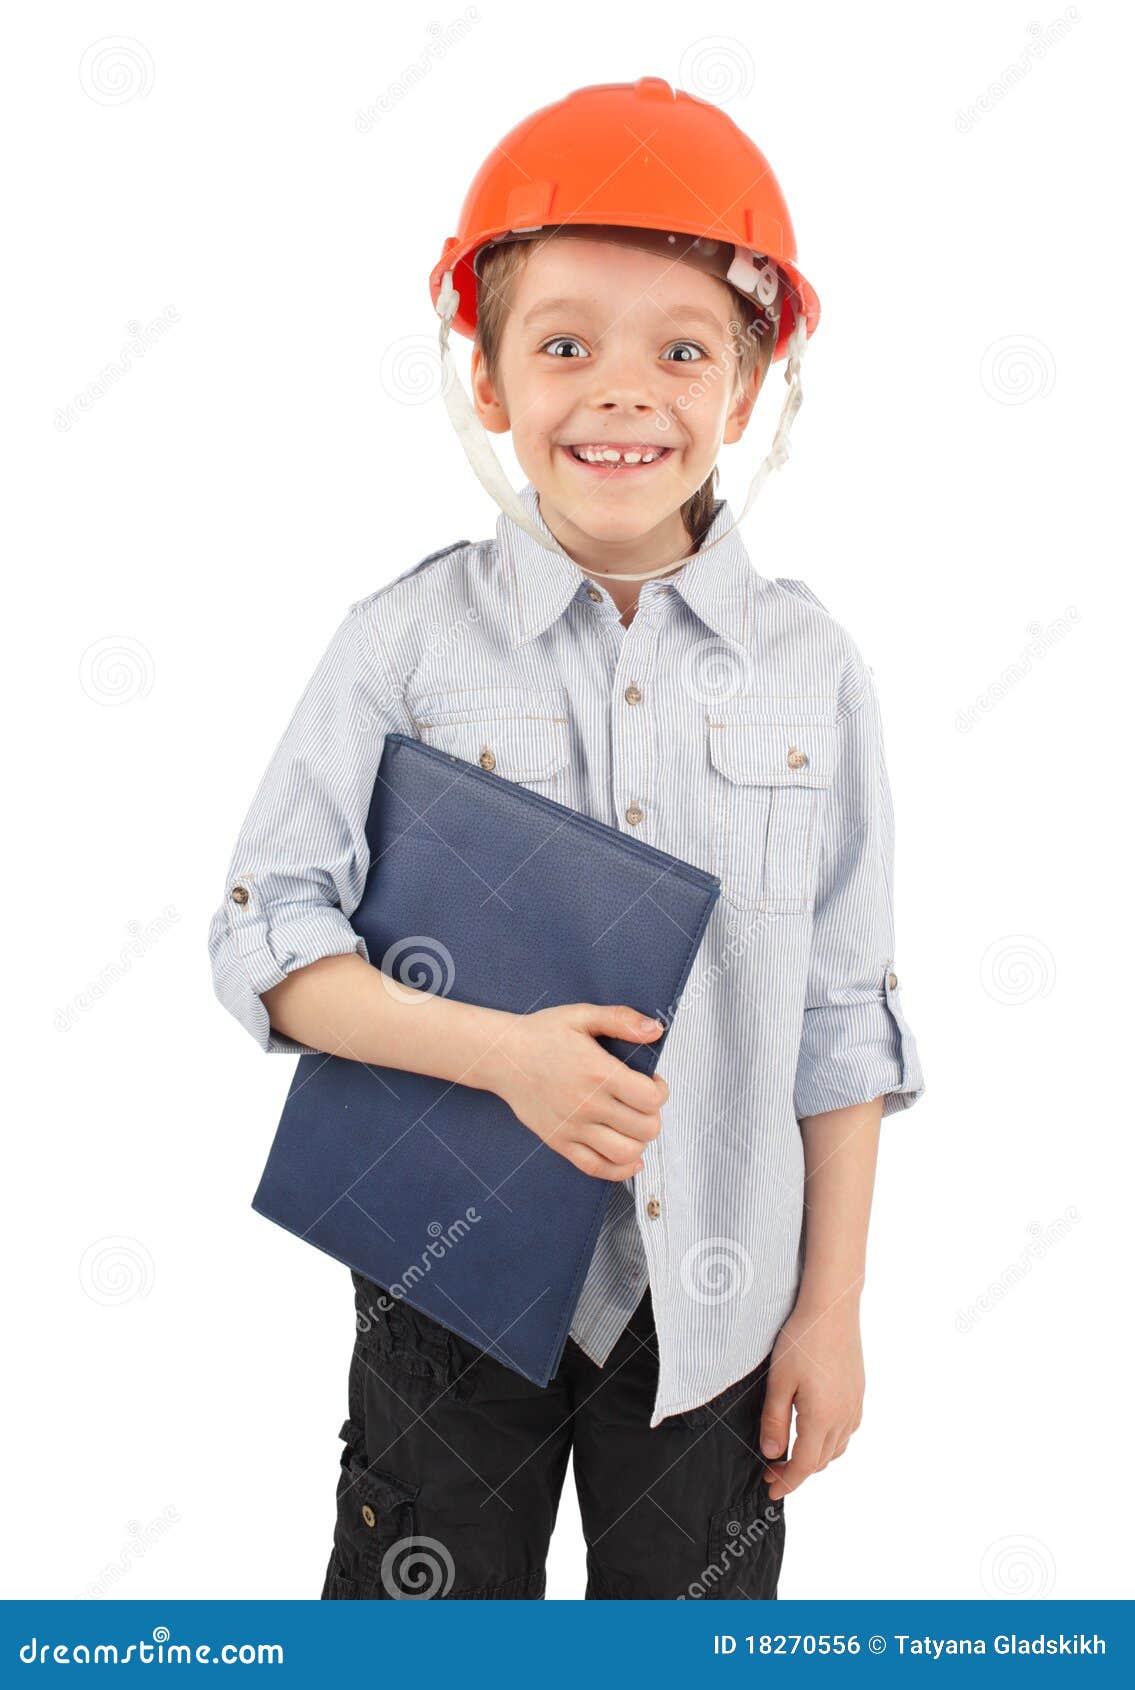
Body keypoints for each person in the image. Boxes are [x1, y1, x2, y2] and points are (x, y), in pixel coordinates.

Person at [208, 77, 926, 1601]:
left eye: (682, 349)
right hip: (446, 1279)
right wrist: (504, 1056)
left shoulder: (814, 669)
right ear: (485, 377)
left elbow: (840, 1017)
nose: (622, 392)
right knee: (423, 1637)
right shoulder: (399, 644)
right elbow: (266, 940)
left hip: (718, 1304)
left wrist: (835, 1308)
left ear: (750, 385)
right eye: (562, 345)